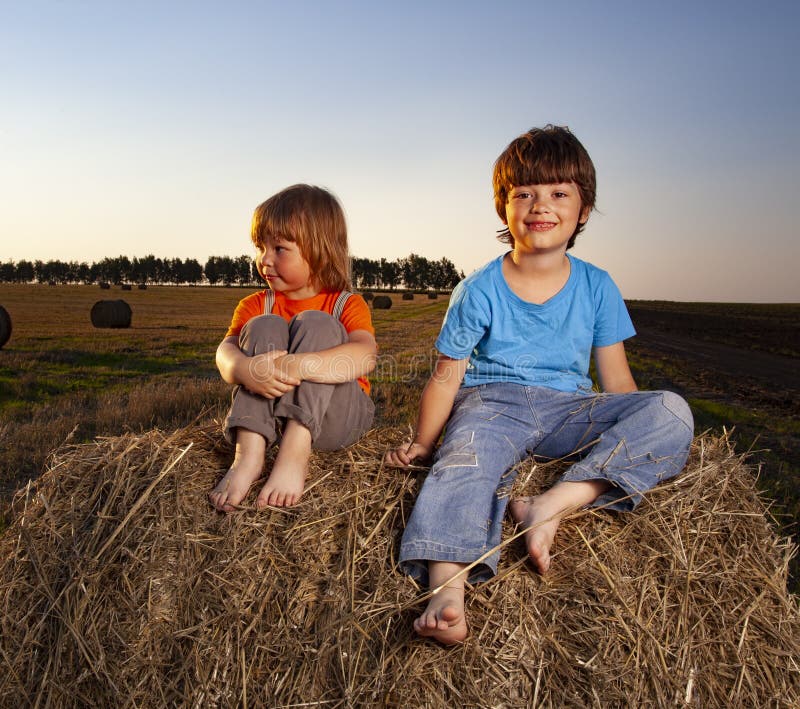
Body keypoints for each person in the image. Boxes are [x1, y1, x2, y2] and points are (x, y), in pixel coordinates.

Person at [386, 125, 694, 645]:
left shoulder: (597, 286)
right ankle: (447, 586)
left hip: (571, 408)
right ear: (503, 208)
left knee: (671, 410)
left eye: (558, 193)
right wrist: (423, 442)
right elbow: (446, 376)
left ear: (583, 211)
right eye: (523, 193)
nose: (539, 205)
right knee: (464, 463)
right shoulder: (478, 289)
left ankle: (552, 503)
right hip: (491, 403)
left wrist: (632, 426)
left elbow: (616, 379)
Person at [210, 184, 377, 512]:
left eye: (279, 249)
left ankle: (294, 453)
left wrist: (302, 365)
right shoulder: (256, 304)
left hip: (337, 417)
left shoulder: (346, 303)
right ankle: (249, 453)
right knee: (262, 325)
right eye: (260, 247)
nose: (264, 260)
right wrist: (244, 369)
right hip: (272, 418)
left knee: (318, 323)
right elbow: (224, 352)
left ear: (319, 250)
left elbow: (366, 355)